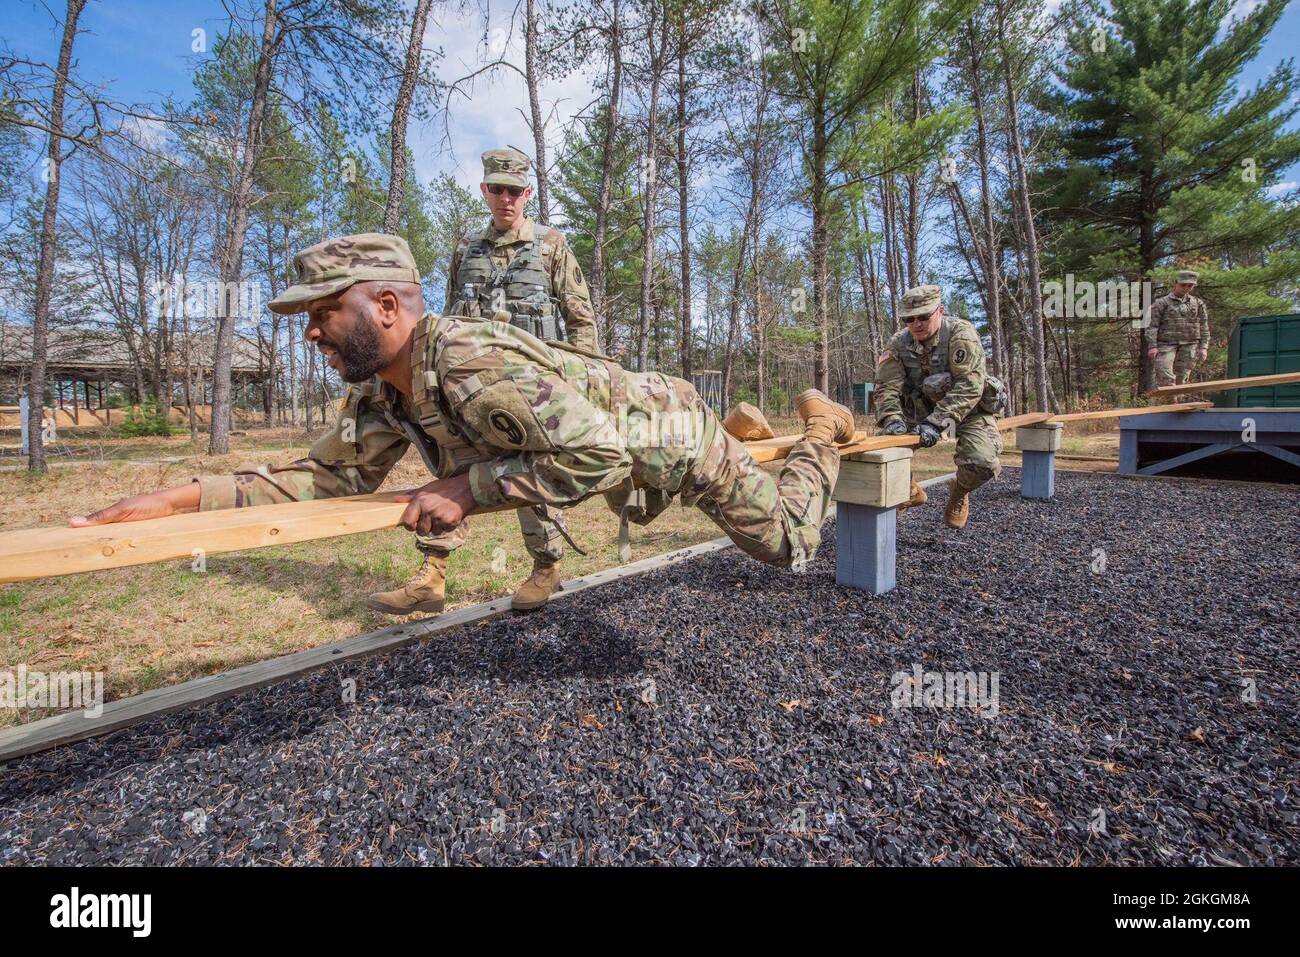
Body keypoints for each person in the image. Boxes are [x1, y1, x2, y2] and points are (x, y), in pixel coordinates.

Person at [71, 233, 852, 594]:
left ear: (384, 306)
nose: (308, 331)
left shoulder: (473, 363)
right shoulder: (383, 389)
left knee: (789, 544)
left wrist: (468, 489)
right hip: (609, 449)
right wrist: (173, 501)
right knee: (640, 505)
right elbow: (321, 478)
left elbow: (604, 453)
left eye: (320, 312)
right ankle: (752, 429)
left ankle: (820, 425)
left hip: (663, 433)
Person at [367, 148, 602, 616]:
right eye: (497, 189)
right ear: (485, 191)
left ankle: (545, 567)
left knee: (528, 475)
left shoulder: (551, 246)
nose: (506, 199)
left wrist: (587, 381)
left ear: (527, 194)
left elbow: (580, 318)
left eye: (515, 191)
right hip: (470, 385)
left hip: (533, 387)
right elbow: (450, 319)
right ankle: (432, 576)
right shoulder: (465, 251)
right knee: (453, 470)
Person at [873, 284, 1005, 529]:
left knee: (982, 463)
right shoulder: (898, 343)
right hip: (919, 411)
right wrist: (892, 419)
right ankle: (908, 491)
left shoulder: (960, 333)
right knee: (878, 456)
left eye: (924, 316)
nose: (917, 324)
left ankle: (960, 491)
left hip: (967, 411)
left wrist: (937, 423)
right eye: (909, 319)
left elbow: (970, 385)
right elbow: (886, 386)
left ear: (940, 310)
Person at [1145, 270, 1209, 389]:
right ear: (1175, 283)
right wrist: (1152, 346)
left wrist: (1204, 347)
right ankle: (1172, 404)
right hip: (1166, 344)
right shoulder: (1161, 303)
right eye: (1183, 285)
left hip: (1189, 345)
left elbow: (1204, 326)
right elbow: (1152, 326)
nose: (1186, 288)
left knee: (1182, 379)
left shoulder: (1198, 303)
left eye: (1190, 286)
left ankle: (1178, 406)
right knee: (1165, 376)